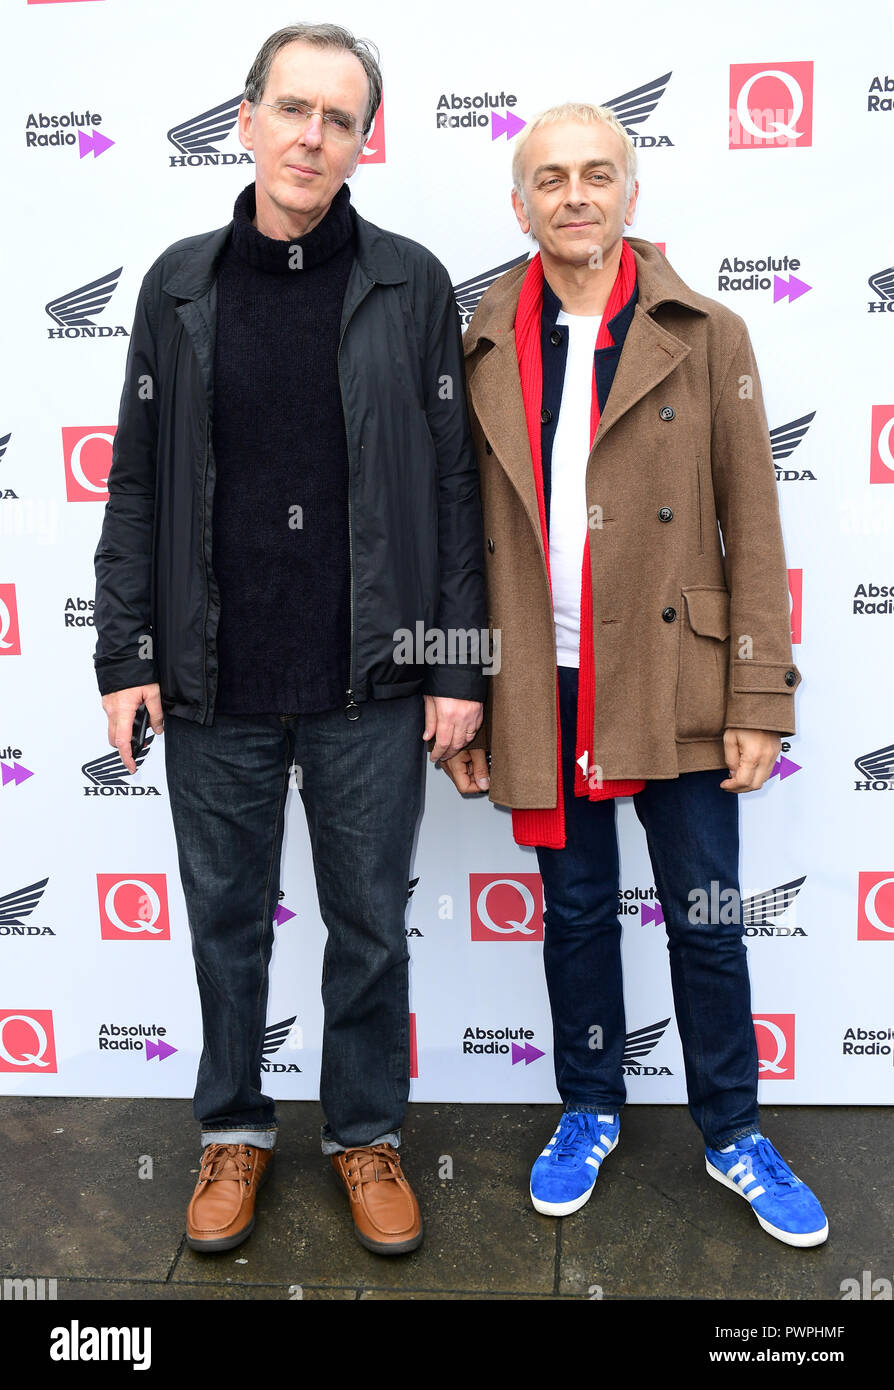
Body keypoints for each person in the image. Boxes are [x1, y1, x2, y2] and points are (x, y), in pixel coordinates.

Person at [93, 22, 486, 1257]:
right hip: (214, 679)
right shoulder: (177, 283)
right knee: (225, 922)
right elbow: (137, 487)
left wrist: (454, 662)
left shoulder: (412, 283)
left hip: (368, 677)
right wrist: (127, 652)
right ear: (248, 117)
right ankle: (234, 1134)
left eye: (340, 118)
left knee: (370, 923)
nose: (314, 135)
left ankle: (365, 1133)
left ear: (365, 141)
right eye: (294, 109)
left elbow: (451, 489)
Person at [445, 101, 827, 1247]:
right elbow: (454, 536)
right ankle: (591, 1103)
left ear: (629, 194)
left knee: (705, 914)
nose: (574, 195)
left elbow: (753, 527)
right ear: (520, 205)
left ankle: (733, 1131)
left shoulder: (705, 332)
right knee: (573, 915)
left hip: (679, 677)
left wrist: (760, 696)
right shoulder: (474, 344)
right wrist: (460, 691)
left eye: (596, 174)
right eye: (550, 178)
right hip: (539, 681)